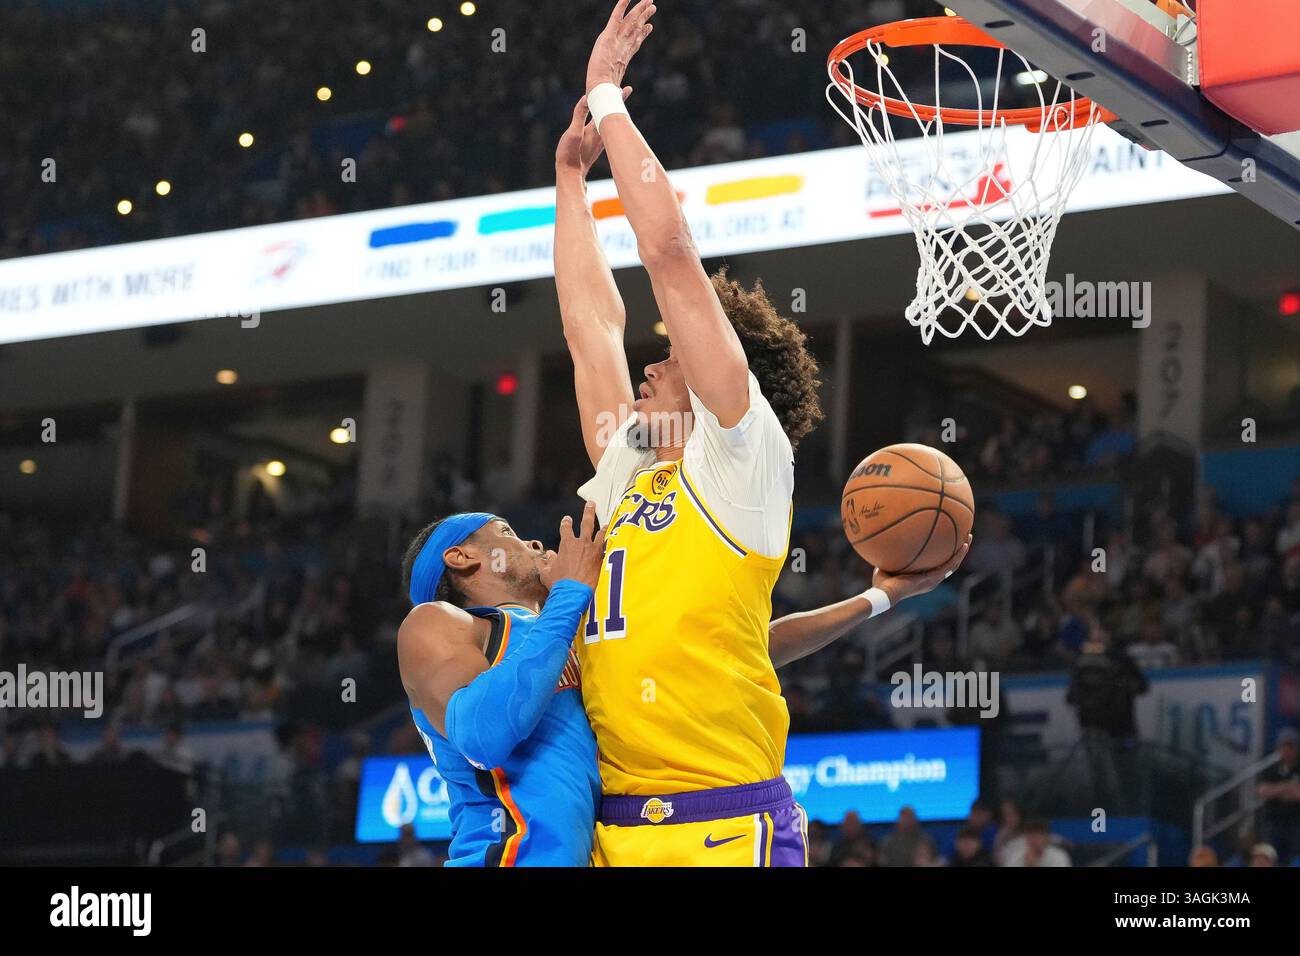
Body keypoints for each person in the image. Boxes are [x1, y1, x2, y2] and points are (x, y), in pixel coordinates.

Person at [553, 0, 971, 866]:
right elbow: (590, 326)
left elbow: (668, 253)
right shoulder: (627, 468)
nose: (650, 369)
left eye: (667, 360)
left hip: (725, 822)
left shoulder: (739, 453)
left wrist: (607, 95)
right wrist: (568, 180)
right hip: (613, 828)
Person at [398, 508, 962, 866]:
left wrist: (880, 599)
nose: (532, 541)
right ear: (461, 556)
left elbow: (741, 651)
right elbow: (483, 735)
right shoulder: (439, 625)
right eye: (507, 533)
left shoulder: (566, 632)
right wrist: (568, 596)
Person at [1256, 726, 1300, 864]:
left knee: (1293, 857)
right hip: (1274, 821)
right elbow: (1263, 791)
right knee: (1270, 855)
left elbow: (1298, 794)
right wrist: (1287, 787)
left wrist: (1276, 790)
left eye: (1291, 746)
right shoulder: (1271, 768)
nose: (1287, 751)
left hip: (1295, 821)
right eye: (1284, 746)